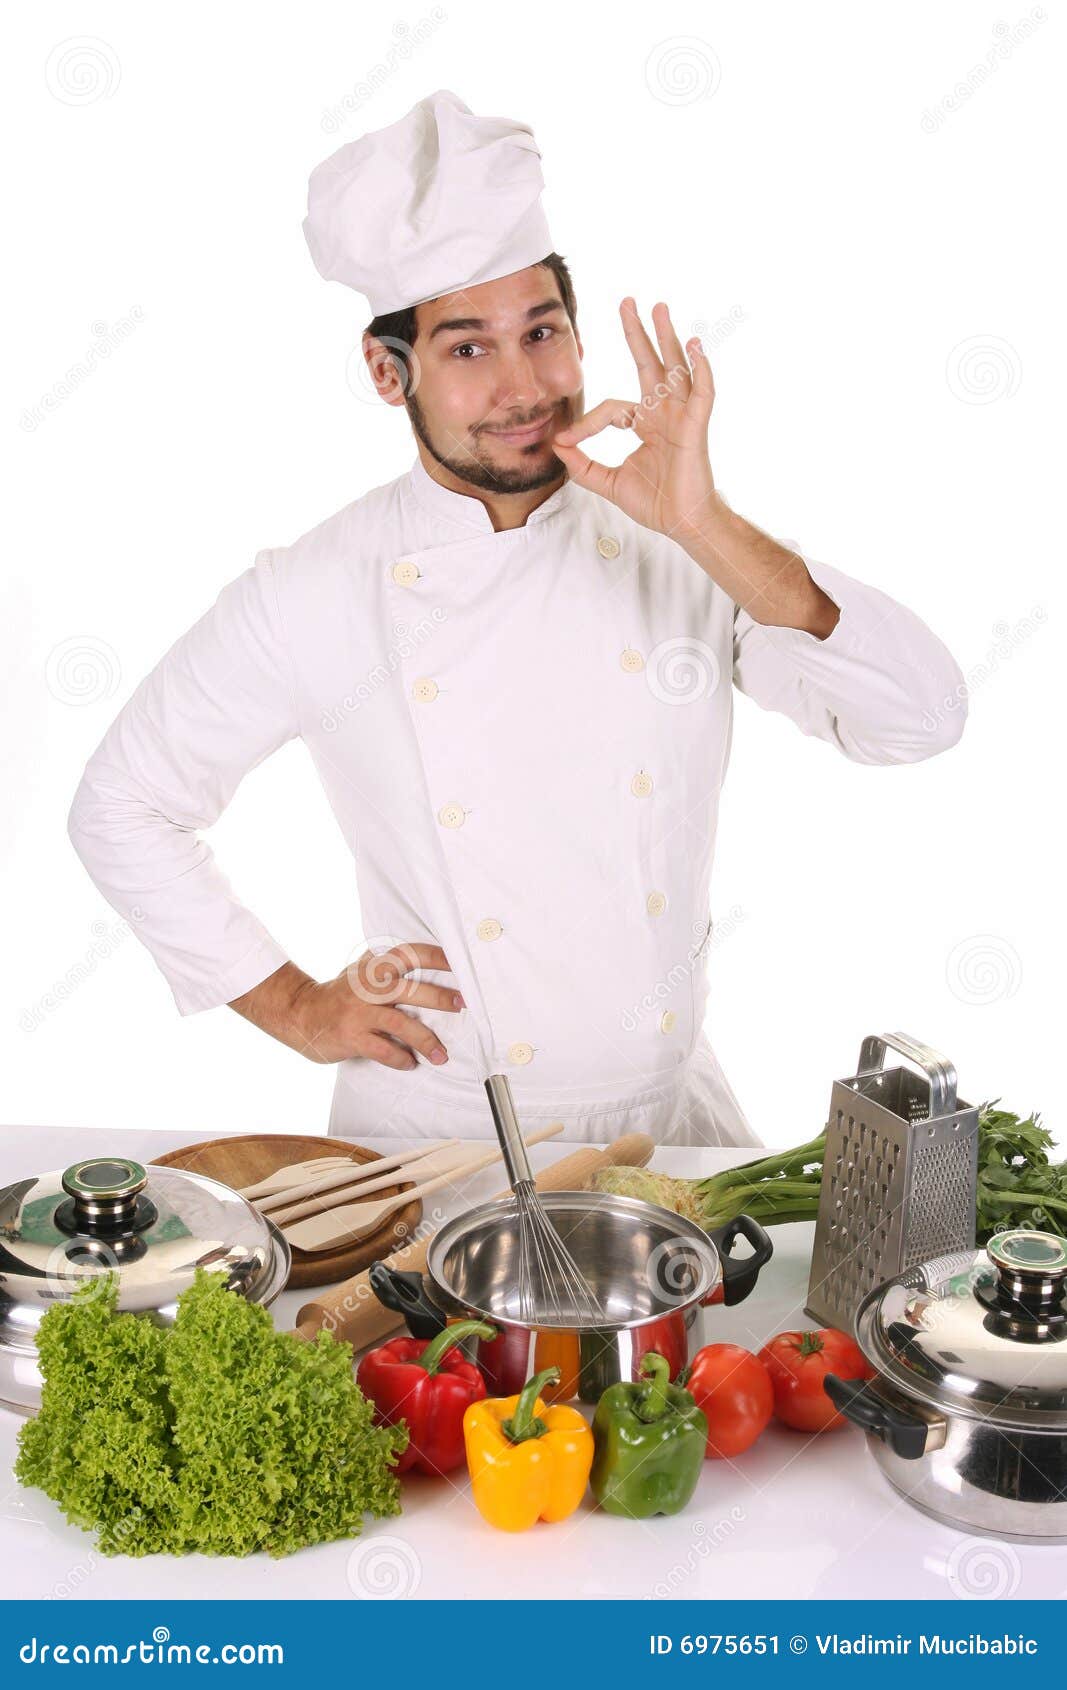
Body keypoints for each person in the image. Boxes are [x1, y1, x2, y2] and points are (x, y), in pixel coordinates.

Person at [67, 90, 967, 1147]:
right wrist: (297, 1007)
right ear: (386, 370)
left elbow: (918, 720)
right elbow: (121, 805)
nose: (523, 387)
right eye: (466, 349)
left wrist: (703, 522)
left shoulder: (677, 545)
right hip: (443, 1130)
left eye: (541, 332)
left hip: (673, 1119)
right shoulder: (314, 586)